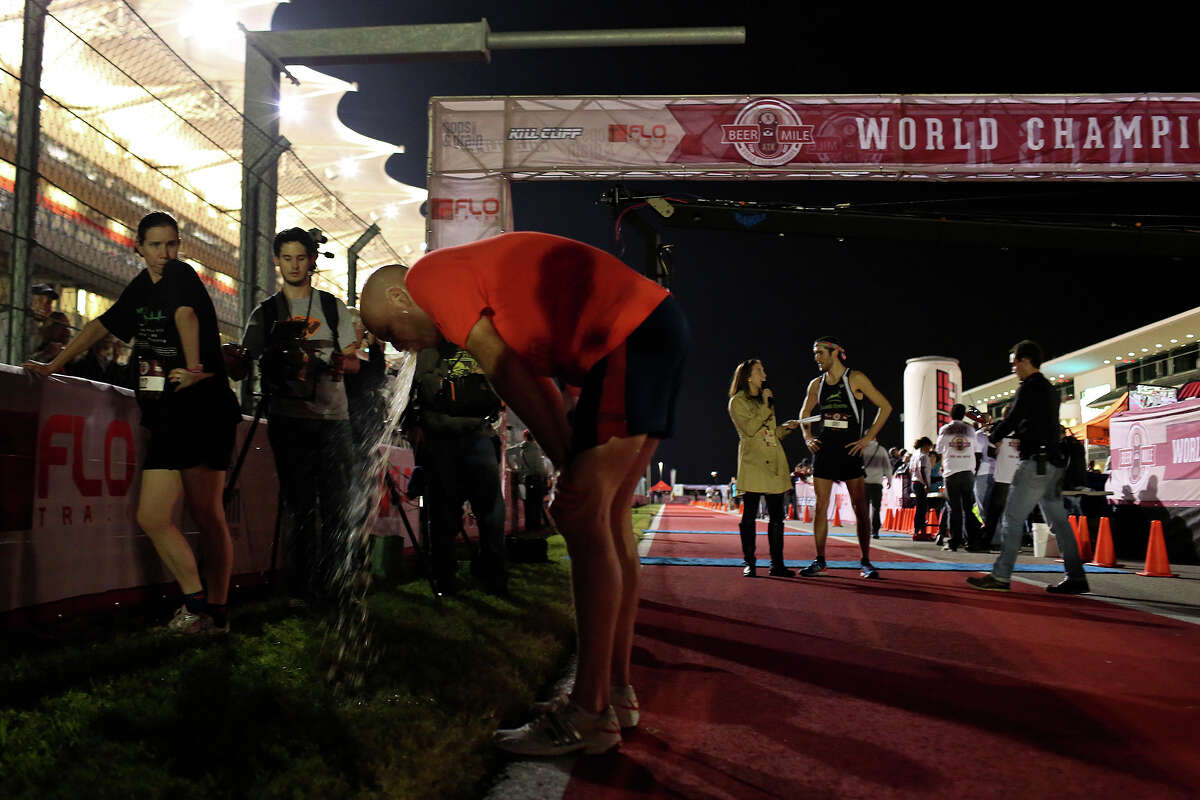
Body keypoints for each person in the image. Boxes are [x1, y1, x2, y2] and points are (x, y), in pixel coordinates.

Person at [359, 231, 688, 757]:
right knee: (605, 517)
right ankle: (615, 693)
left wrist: (566, 463)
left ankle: (587, 713)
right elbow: (534, 378)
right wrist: (567, 458)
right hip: (644, 330)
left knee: (584, 515)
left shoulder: (427, 278)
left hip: (629, 335)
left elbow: (503, 369)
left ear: (399, 298)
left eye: (390, 333)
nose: (400, 346)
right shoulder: (481, 289)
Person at [24, 211, 241, 634]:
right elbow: (100, 326)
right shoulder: (143, 286)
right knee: (154, 515)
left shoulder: (180, 275)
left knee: (206, 514)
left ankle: (215, 612)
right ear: (137, 246)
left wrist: (195, 367)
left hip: (201, 408)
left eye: (172, 244)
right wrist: (54, 364)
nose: (165, 253)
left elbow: (186, 318)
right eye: (156, 245)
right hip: (167, 412)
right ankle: (199, 607)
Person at [240, 227, 360, 604]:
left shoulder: (330, 306)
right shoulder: (267, 312)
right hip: (288, 416)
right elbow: (244, 361)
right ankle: (303, 587)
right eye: (287, 258)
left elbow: (354, 362)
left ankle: (337, 584)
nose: (294, 265)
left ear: (312, 261)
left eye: (300, 258)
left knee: (338, 504)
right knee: (301, 505)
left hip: (332, 417)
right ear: (277, 260)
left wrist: (337, 363)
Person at [967, 340, 1089, 594]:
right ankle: (1076, 576)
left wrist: (994, 435)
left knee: (1012, 517)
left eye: (1014, 364)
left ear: (1024, 360)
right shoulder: (1049, 389)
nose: (1013, 369)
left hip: (1034, 464)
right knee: (1059, 522)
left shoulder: (1030, 387)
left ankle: (1000, 576)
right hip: (1053, 465)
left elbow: (1013, 418)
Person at [405, 340, 508, 595]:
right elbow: (424, 390)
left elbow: (495, 392)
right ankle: (447, 577)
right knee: (443, 513)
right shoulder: (428, 348)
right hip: (445, 439)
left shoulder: (475, 345)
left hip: (475, 435)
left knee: (489, 514)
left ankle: (491, 574)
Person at [798, 337, 893, 578]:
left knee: (860, 507)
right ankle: (820, 560)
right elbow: (804, 413)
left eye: (820, 353)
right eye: (814, 354)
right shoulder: (816, 384)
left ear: (835, 353)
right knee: (820, 507)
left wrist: (867, 438)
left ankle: (865, 561)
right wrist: (807, 437)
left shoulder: (855, 378)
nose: (816, 358)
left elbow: (885, 407)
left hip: (850, 450)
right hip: (825, 450)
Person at [728, 359, 801, 578]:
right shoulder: (737, 402)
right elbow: (750, 429)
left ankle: (777, 564)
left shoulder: (764, 401)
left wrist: (786, 428)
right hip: (752, 463)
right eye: (760, 371)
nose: (765, 375)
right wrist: (765, 406)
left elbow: (768, 433)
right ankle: (750, 562)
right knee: (749, 516)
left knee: (777, 516)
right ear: (748, 376)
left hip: (773, 462)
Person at [936, 404, 984, 552]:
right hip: (968, 471)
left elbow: (938, 448)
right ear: (964, 415)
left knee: (954, 508)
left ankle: (954, 542)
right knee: (969, 508)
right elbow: (976, 449)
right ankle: (971, 541)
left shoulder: (945, 429)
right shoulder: (970, 430)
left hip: (951, 472)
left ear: (951, 414)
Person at [508, 429, 551, 533]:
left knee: (531, 504)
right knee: (535, 504)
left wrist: (512, 467)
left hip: (531, 478)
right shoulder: (529, 446)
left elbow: (507, 451)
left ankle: (533, 526)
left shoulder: (525, 446)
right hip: (535, 478)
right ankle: (534, 527)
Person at [861, 439, 892, 539]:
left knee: (864, 509)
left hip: (864, 482)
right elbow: (887, 466)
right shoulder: (881, 450)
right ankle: (875, 531)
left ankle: (865, 530)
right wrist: (889, 479)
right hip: (877, 483)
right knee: (876, 508)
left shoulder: (862, 449)